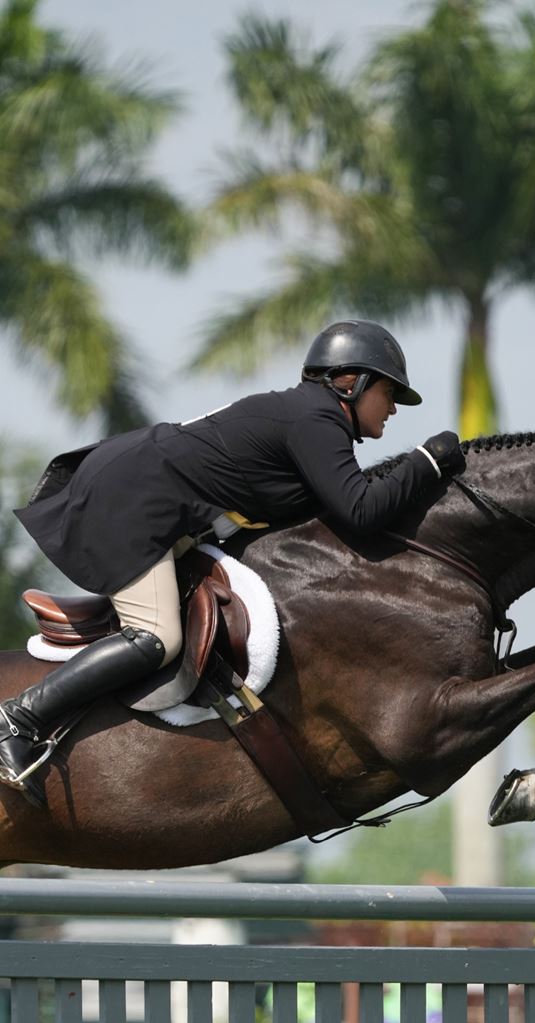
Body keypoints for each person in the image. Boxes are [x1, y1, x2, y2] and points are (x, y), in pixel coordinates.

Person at [0, 319, 464, 808]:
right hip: (130, 501)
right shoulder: (317, 418)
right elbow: (362, 510)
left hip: (147, 495)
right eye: (390, 392)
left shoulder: (311, 416)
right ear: (351, 382)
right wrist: (426, 461)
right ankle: (19, 718)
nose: (393, 407)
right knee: (157, 637)